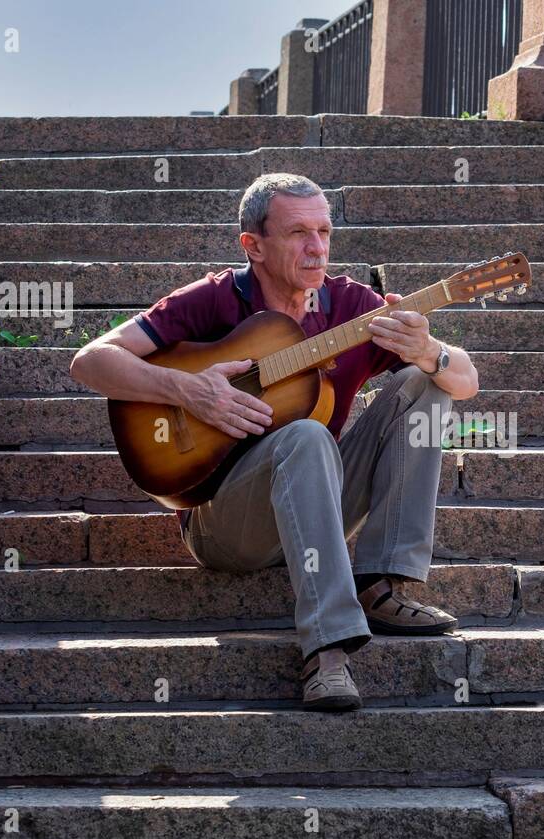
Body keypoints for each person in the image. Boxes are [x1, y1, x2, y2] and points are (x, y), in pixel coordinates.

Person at [69, 173, 480, 711]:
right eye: (298, 234)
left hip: (322, 502)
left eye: (325, 232)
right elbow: (91, 360)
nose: (317, 248)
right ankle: (328, 650)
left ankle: (380, 583)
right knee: (306, 435)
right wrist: (187, 390)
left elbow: (466, 384)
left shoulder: (353, 306)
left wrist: (431, 352)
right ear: (253, 245)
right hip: (224, 522)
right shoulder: (214, 300)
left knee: (423, 387)